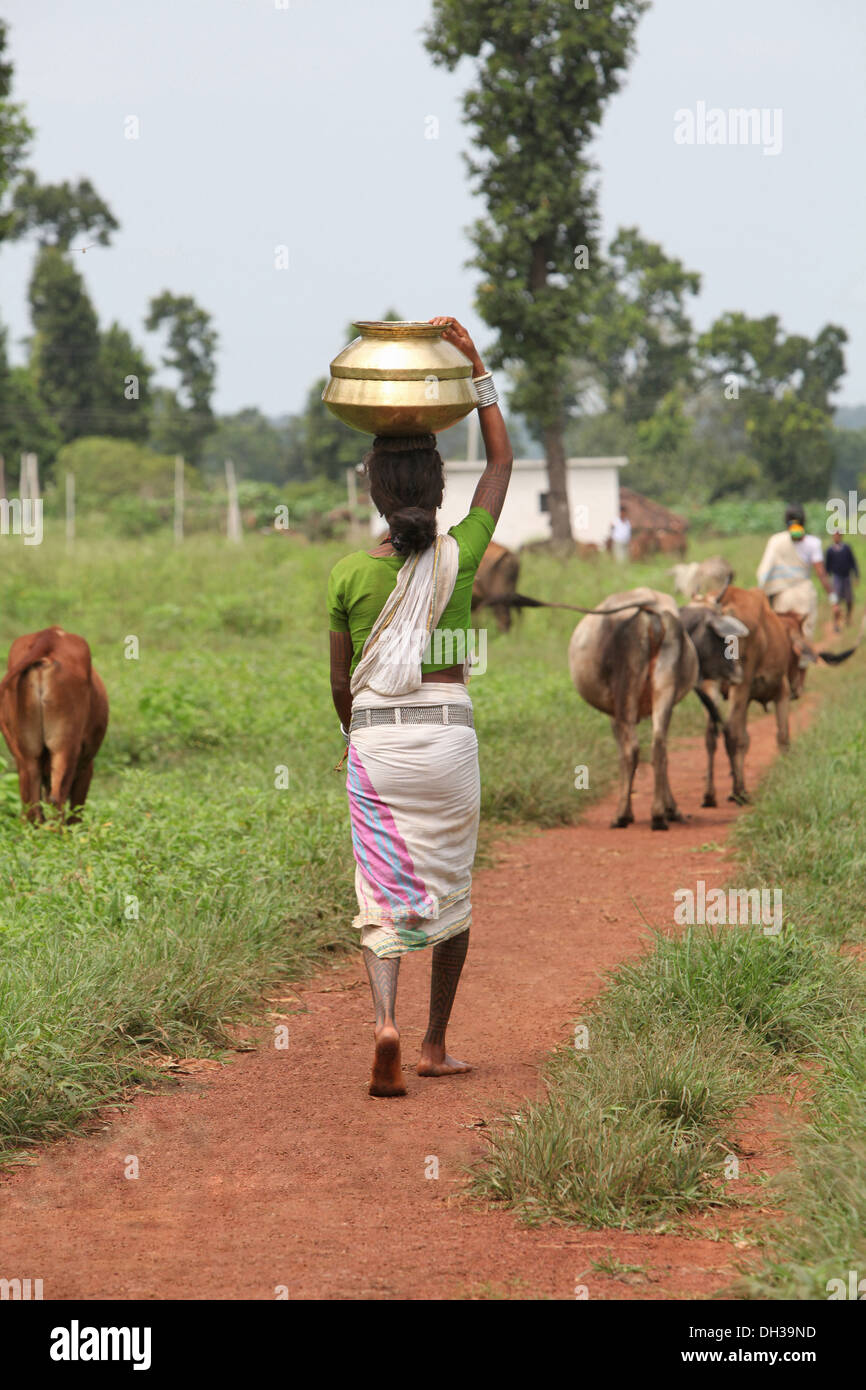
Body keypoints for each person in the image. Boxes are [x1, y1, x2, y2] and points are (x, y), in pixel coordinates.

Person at [327, 316, 513, 1098]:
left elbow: (340, 687)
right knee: (452, 887)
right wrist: (475, 367)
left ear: (372, 489)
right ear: (441, 489)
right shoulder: (463, 554)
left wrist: (359, 738)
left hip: (377, 747)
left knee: (382, 891)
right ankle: (435, 1042)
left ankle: (386, 1025)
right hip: (447, 743)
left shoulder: (345, 574)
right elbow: (502, 459)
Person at [756, 503, 833, 640]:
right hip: (805, 598)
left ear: (786, 520)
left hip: (782, 599)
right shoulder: (813, 543)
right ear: (804, 520)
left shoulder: (776, 541)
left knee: (783, 640)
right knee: (804, 639)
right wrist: (834, 599)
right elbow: (821, 574)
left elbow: (764, 571)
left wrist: (762, 593)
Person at [824, 529, 859, 631]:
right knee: (836, 602)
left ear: (841, 536)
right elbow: (827, 567)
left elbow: (853, 562)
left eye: (838, 535)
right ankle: (836, 623)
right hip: (836, 578)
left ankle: (848, 617)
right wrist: (826, 580)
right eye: (835, 535)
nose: (836, 537)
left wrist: (856, 575)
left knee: (849, 600)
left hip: (846, 577)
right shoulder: (830, 550)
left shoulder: (846, 548)